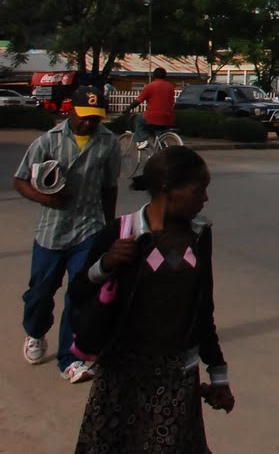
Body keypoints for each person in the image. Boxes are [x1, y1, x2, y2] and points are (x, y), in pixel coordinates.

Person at [70, 146, 233, 452]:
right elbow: (78, 291)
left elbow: (203, 310)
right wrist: (105, 264)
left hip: (175, 373)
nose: (205, 199)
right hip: (122, 370)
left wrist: (219, 375)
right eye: (199, 190)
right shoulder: (121, 232)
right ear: (168, 190)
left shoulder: (199, 236)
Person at [13, 87, 119, 383]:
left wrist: (109, 229)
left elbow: (109, 187)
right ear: (70, 111)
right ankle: (35, 332)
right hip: (51, 231)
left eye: (95, 119)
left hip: (89, 229)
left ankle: (70, 359)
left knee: (80, 294)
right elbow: (20, 181)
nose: (89, 124)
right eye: (84, 118)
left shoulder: (108, 143)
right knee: (40, 293)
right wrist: (46, 198)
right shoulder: (47, 141)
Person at [131, 67, 177, 145]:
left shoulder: (150, 86)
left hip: (151, 116)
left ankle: (142, 141)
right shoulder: (170, 87)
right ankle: (160, 146)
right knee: (158, 134)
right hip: (168, 118)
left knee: (138, 119)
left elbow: (138, 101)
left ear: (153, 75)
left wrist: (128, 108)